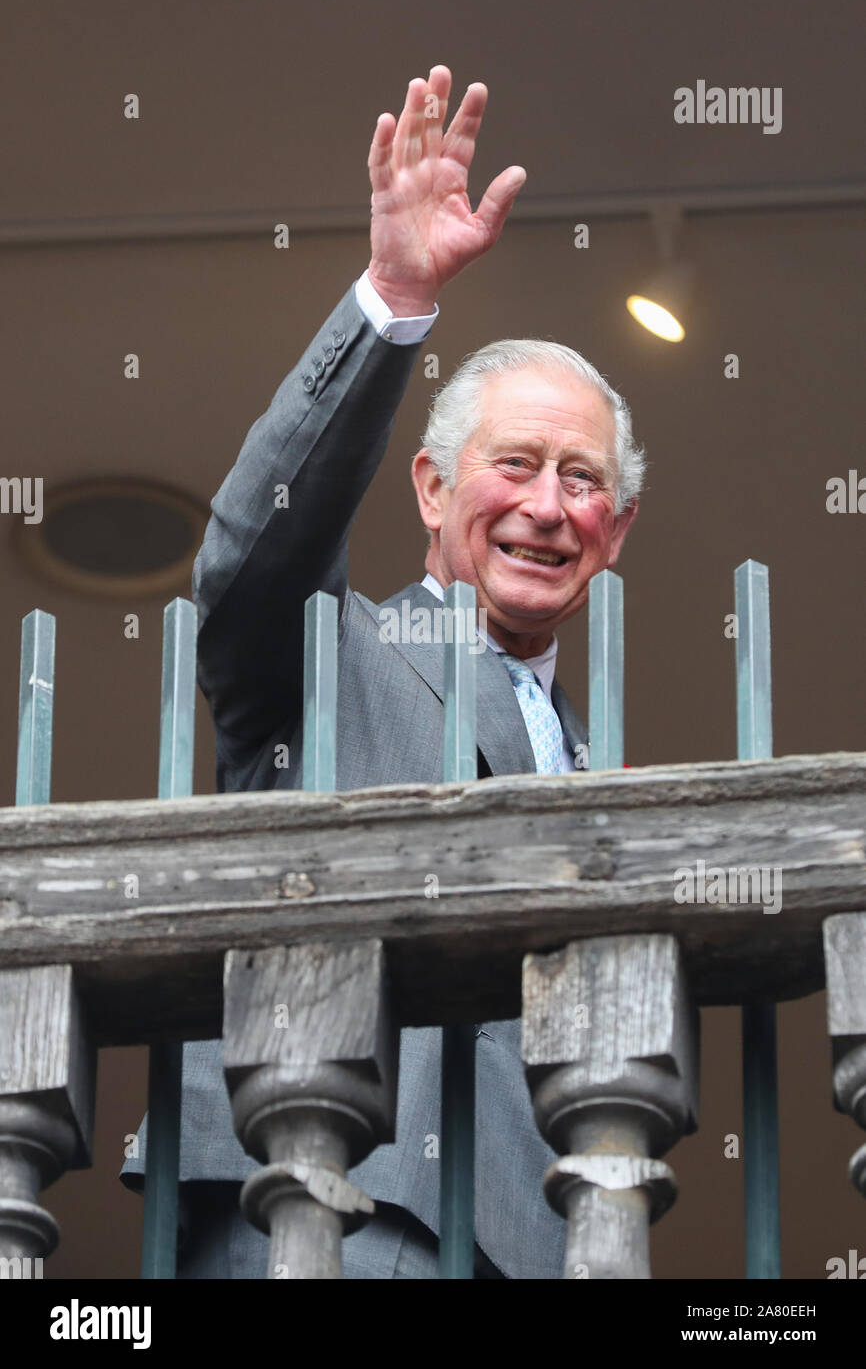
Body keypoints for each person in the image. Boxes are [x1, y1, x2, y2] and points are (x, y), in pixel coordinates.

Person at [121, 65, 643, 1279]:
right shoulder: (326, 649)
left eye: (583, 483)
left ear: (613, 535)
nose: (546, 508)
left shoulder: (592, 747)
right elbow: (252, 547)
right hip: (327, 1211)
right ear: (431, 488)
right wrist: (395, 297)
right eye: (514, 464)